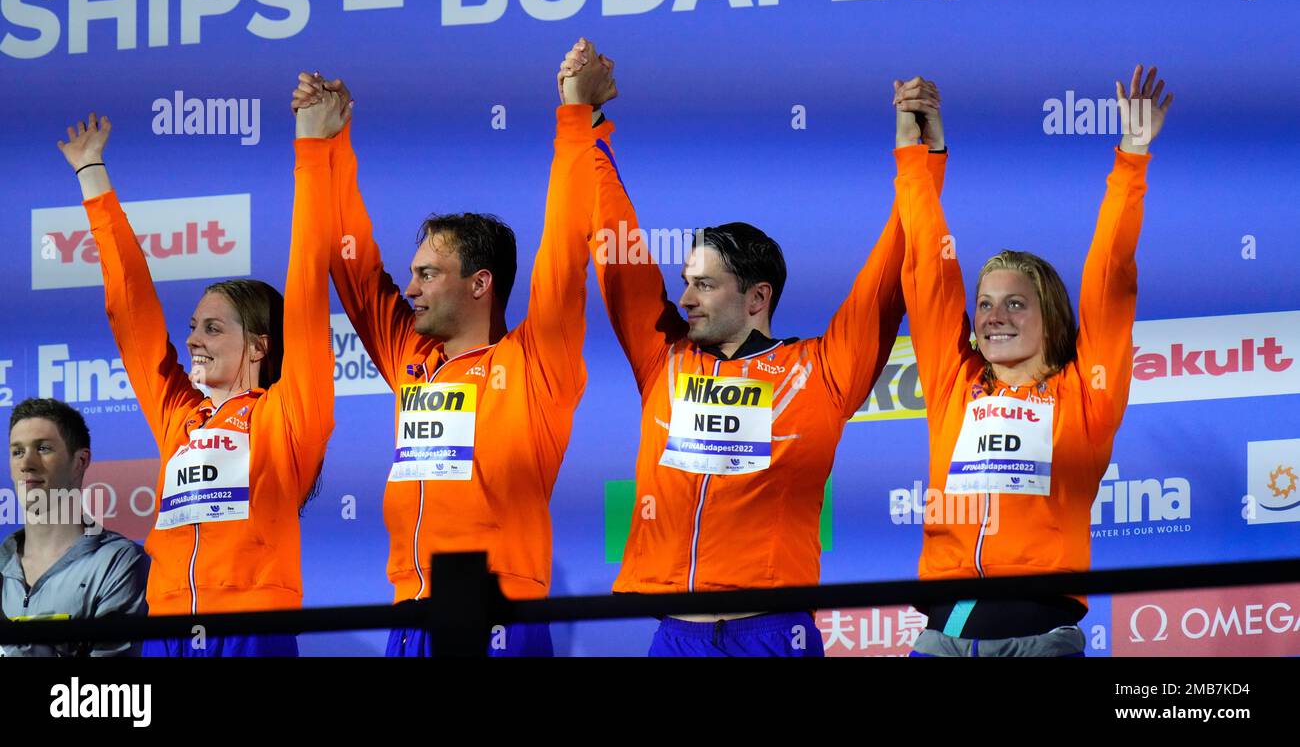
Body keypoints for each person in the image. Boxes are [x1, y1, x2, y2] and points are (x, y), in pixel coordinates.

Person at [569, 40, 949, 656]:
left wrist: (920, 158)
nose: (684, 298)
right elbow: (613, 241)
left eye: (704, 285)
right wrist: (587, 123)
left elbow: (894, 267)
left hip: (773, 632)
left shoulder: (821, 370)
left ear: (756, 297)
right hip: (675, 636)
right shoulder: (663, 356)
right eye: (685, 281)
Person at [290, 38, 612, 657]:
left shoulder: (534, 363)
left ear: (480, 284)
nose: (408, 289)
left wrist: (575, 114)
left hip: (501, 611)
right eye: (412, 274)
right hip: (411, 611)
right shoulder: (413, 361)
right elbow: (352, 264)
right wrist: (331, 142)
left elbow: (567, 247)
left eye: (427, 275)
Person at [891, 66, 1172, 657]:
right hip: (943, 638)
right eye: (986, 304)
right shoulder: (954, 383)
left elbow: (1109, 277)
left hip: (1041, 641)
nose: (993, 316)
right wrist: (918, 154)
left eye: (1015, 304)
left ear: (1051, 318)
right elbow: (926, 267)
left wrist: (1132, 160)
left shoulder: (1087, 395)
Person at [55, 82, 337, 657]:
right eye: (193, 327)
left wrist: (312, 148)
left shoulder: (286, 417)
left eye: (213, 328)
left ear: (259, 345)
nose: (192, 341)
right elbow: (131, 312)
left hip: (251, 625)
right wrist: (92, 177)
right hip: (165, 627)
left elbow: (307, 282)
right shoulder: (180, 416)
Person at [2, 397, 148, 657]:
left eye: (43, 448)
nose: (26, 464)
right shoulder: (2, 564)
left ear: (80, 461)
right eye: (17, 452)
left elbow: (106, 693)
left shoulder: (118, 562)